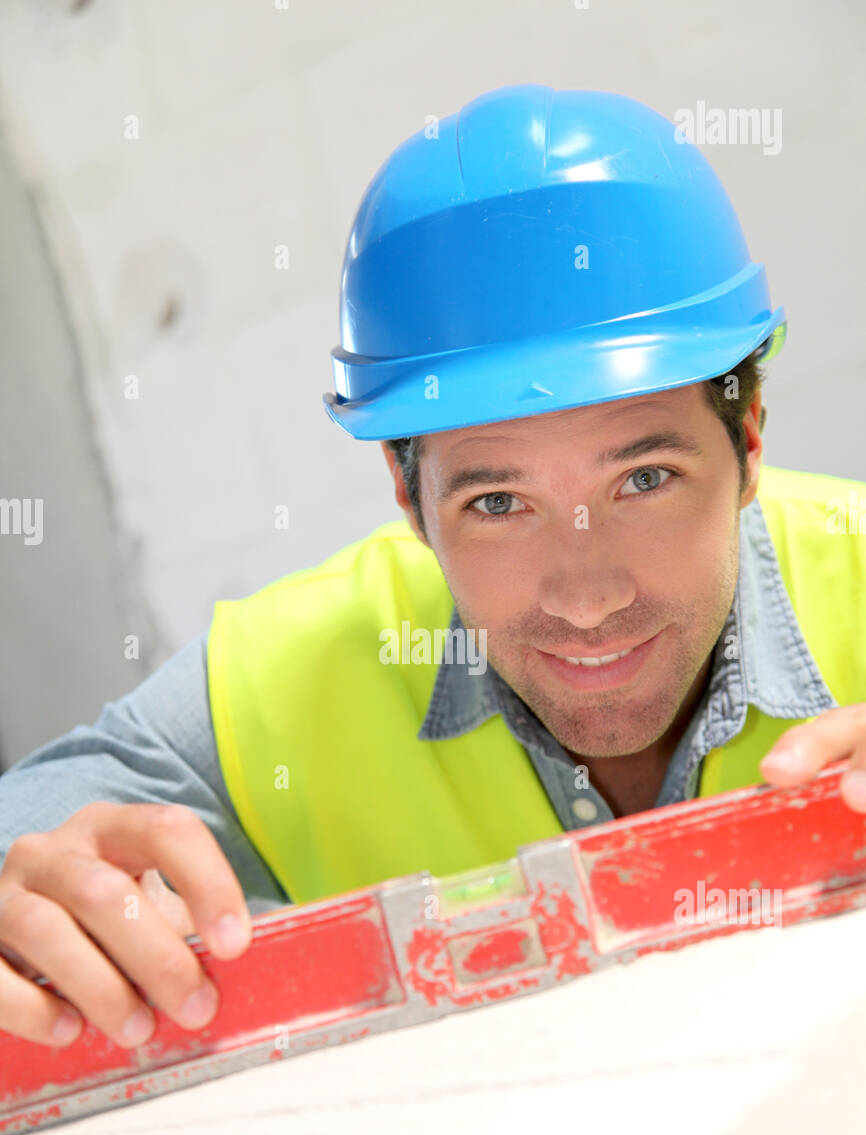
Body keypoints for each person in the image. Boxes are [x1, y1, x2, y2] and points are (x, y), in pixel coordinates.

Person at [1, 85, 863, 1054]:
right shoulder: (280, 687)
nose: (586, 596)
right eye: (497, 503)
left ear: (747, 441)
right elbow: (29, 831)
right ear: (408, 497)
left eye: (645, 479)